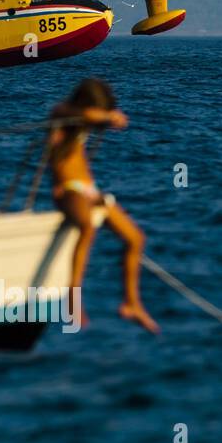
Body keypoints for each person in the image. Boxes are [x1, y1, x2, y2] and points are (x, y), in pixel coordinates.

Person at [48, 78, 158, 334]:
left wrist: (108, 116)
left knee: (135, 238)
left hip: (90, 190)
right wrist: (107, 117)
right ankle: (72, 297)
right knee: (87, 226)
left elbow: (90, 116)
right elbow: (78, 113)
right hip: (68, 190)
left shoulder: (83, 121)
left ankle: (132, 303)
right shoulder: (62, 113)